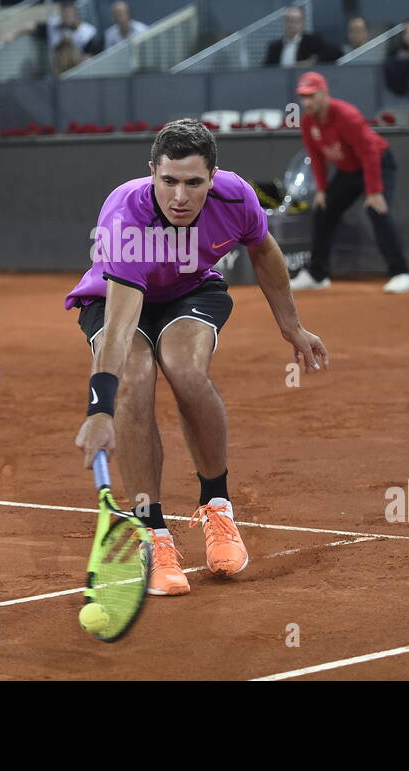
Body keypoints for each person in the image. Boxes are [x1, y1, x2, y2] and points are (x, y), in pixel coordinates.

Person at [68, 119, 329, 597]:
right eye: (169, 181)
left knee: (187, 371)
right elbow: (123, 326)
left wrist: (291, 325)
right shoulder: (126, 214)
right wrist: (100, 409)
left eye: (193, 182)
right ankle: (153, 533)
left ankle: (218, 508)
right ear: (152, 173)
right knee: (136, 378)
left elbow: (265, 251)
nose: (181, 196)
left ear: (213, 177)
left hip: (191, 291)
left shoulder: (238, 197)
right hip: (116, 302)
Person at [288, 72, 409, 294]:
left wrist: (374, 192)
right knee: (323, 209)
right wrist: (321, 189)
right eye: (303, 97)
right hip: (349, 170)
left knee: (377, 211)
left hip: (378, 162)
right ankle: (318, 274)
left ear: (325, 94)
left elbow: (369, 153)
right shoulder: (308, 122)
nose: (307, 102)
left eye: (312, 96)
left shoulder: (347, 115)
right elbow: (316, 157)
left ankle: (401, 273)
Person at [263, 5, 341, 67]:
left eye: (296, 21)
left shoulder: (312, 41)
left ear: (302, 24)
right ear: (284, 23)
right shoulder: (274, 47)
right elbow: (265, 69)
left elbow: (337, 53)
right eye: (289, 21)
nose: (292, 25)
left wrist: (313, 61)